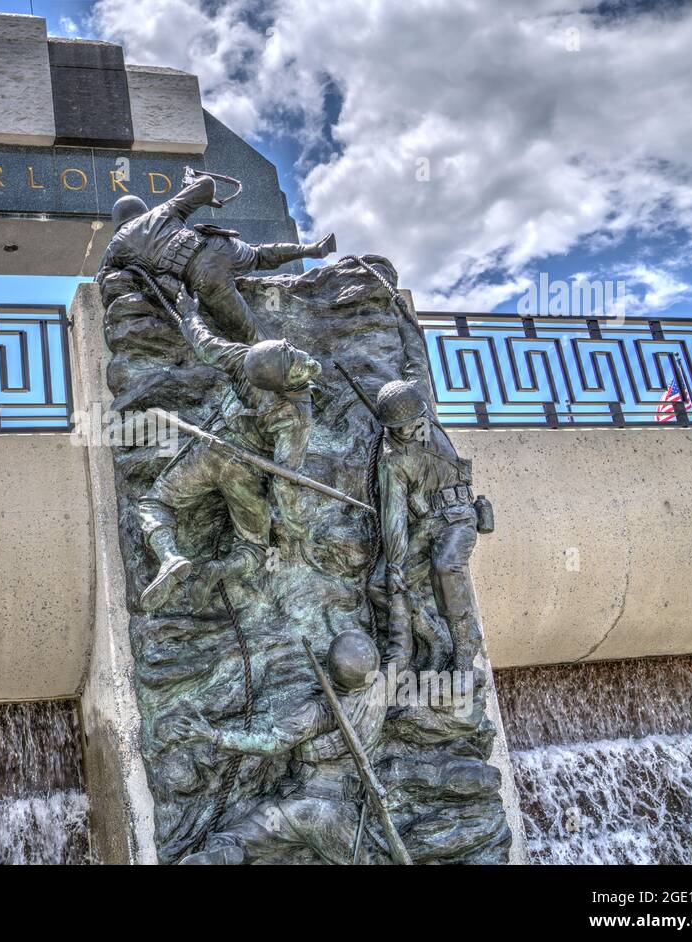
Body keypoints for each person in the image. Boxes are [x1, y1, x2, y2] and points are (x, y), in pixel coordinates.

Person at [136, 290, 321, 612]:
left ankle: (171, 556)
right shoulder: (296, 415)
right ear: (280, 382)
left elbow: (204, 344)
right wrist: (297, 527)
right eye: (295, 364)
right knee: (253, 547)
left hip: (210, 450)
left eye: (294, 353)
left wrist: (190, 312)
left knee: (156, 502)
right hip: (246, 472)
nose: (304, 362)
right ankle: (212, 568)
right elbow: (285, 481)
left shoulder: (245, 359)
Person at [168, 630, 387, 864]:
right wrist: (398, 599)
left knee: (237, 838)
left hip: (293, 811)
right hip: (338, 817)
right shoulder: (381, 690)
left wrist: (214, 736)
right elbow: (401, 650)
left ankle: (223, 853)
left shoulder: (313, 713)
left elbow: (271, 742)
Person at [95, 175, 336, 343]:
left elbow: (101, 279)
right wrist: (194, 187)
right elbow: (207, 185)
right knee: (259, 253)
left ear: (118, 222)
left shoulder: (117, 245)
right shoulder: (162, 210)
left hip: (202, 274)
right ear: (142, 209)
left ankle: (294, 374)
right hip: (218, 245)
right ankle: (311, 248)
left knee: (250, 332)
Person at [373, 380, 482, 672]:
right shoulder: (392, 460)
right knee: (380, 585)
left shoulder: (426, 414)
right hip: (426, 524)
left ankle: (464, 649)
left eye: (413, 421)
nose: (410, 429)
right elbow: (393, 515)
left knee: (446, 565)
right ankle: (434, 636)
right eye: (402, 426)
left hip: (459, 516)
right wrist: (395, 565)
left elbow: (416, 366)